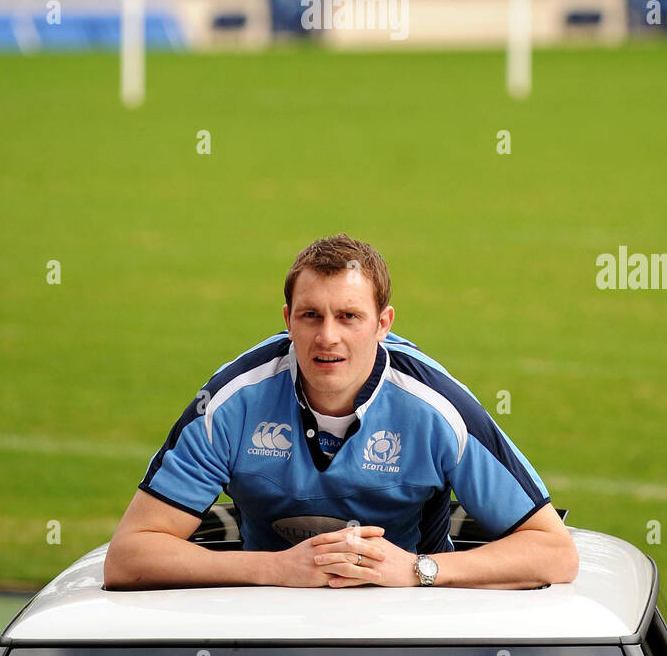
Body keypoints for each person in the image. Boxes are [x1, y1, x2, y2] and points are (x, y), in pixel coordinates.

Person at [105, 234, 578, 590]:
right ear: (287, 319)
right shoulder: (230, 404)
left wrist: (416, 570)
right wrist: (279, 568)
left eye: (349, 316)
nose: (327, 337)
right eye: (311, 315)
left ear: (383, 324)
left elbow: (555, 553)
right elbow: (128, 555)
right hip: (263, 622)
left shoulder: (437, 410)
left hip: (413, 631)